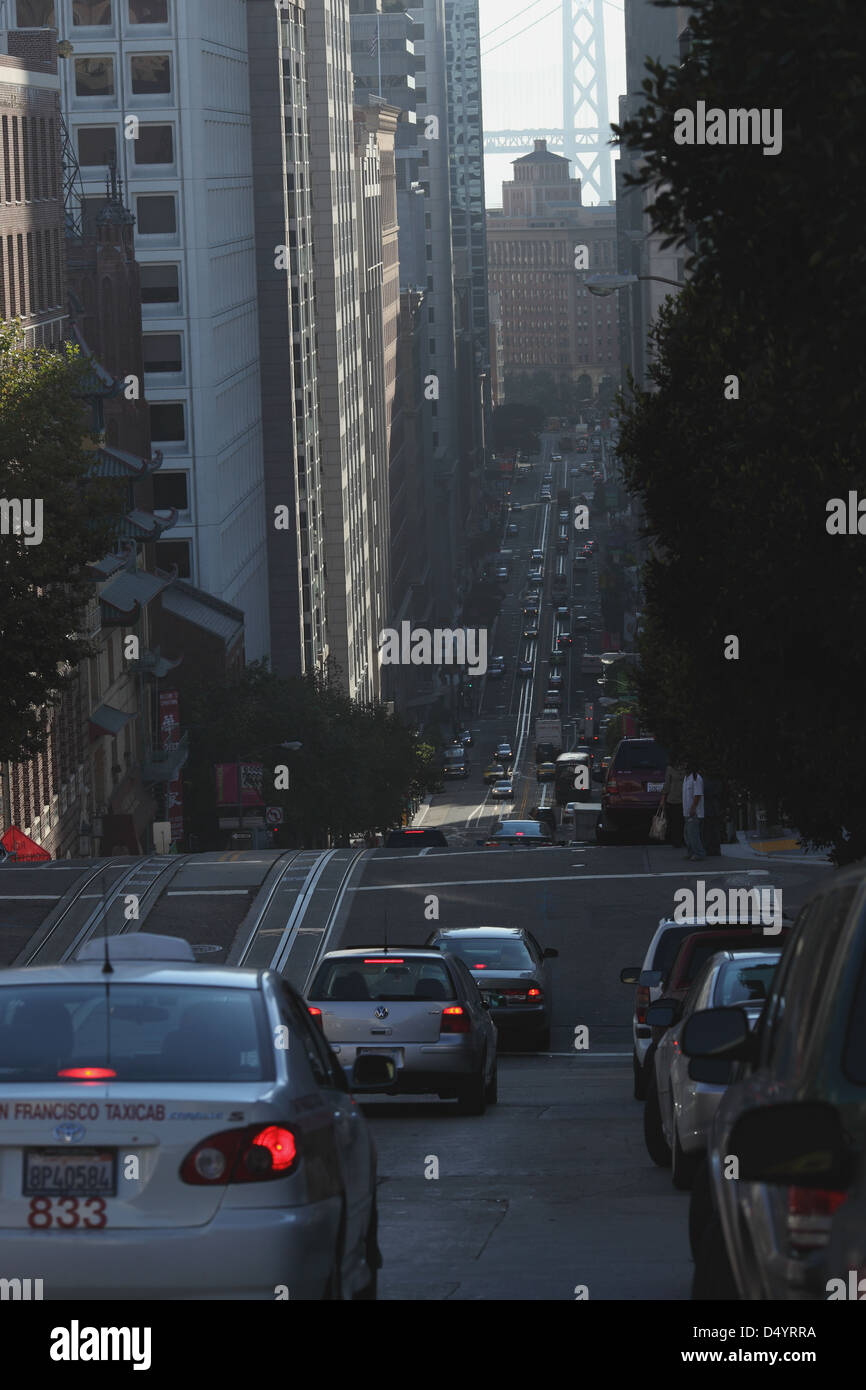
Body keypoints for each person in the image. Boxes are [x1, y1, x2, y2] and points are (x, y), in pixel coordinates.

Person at [682, 764, 706, 861]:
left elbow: (698, 795)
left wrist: (693, 808)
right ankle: (691, 852)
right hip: (686, 811)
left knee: (693, 834)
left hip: (694, 812)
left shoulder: (697, 778)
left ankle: (699, 853)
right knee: (688, 834)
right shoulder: (686, 778)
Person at [660, 764, 685, 848]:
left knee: (679, 822)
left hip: (683, 799)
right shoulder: (670, 769)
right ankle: (677, 841)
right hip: (674, 799)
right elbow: (667, 785)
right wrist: (663, 799)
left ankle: (679, 840)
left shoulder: (686, 769)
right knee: (675, 821)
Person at [702, 773, 724, 856]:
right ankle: (716, 849)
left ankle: (708, 848)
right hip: (715, 807)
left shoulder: (704, 781)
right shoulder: (718, 781)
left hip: (707, 807)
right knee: (715, 829)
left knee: (707, 829)